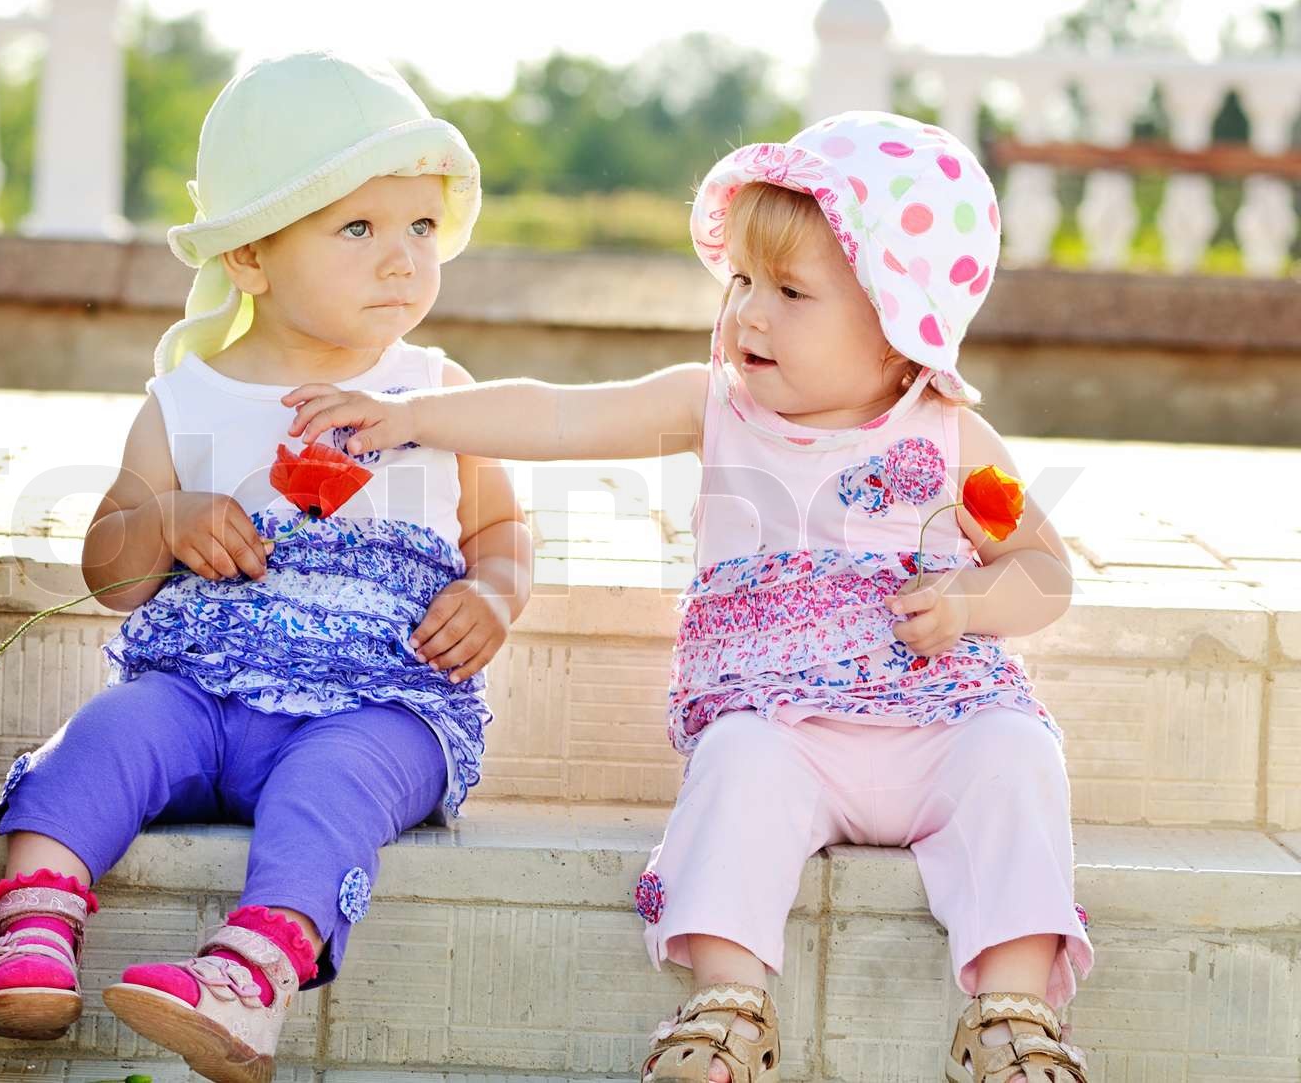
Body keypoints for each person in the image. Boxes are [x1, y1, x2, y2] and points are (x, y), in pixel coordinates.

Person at [284, 112, 1093, 1083]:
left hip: (937, 722)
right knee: (736, 765)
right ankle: (725, 1003)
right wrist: (414, 415)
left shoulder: (954, 443)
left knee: (1014, 755)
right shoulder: (714, 405)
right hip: (781, 728)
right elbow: (558, 413)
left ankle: (1010, 1011)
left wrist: (969, 602)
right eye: (741, 282)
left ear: (897, 320)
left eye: (790, 292)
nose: (749, 314)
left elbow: (1042, 568)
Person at [0, 52, 531, 1083]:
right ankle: (35, 919)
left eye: (419, 226)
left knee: (331, 790)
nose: (403, 259)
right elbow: (111, 572)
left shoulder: (436, 391)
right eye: (357, 228)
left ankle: (251, 976)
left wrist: (490, 592)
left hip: (381, 707)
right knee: (108, 731)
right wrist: (166, 518)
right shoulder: (189, 398)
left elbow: (498, 530)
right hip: (200, 694)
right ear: (251, 258)